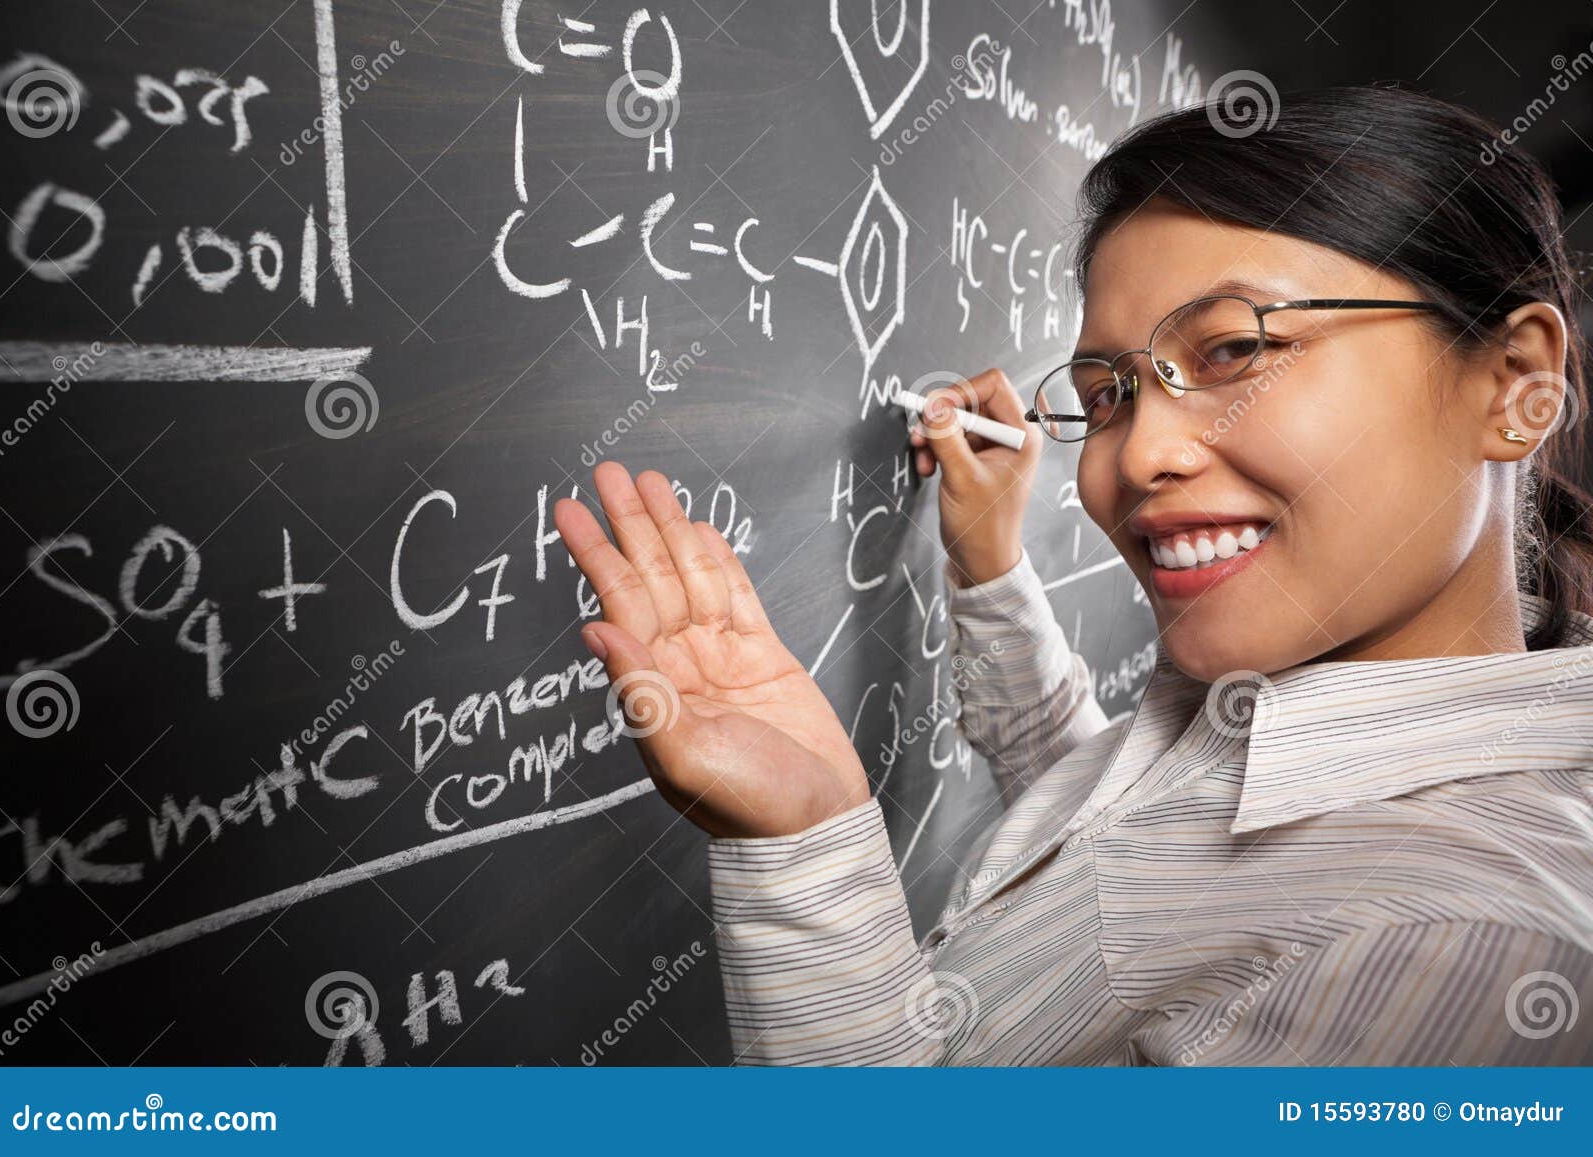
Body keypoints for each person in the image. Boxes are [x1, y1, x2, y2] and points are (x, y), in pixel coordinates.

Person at [551, 85, 1593, 1065]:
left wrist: (808, 842)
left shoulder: (1462, 946)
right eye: (1106, 394)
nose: (1136, 457)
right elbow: (1118, 817)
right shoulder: (1300, 697)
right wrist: (988, 560)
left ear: (1508, 384)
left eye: (1231, 348)